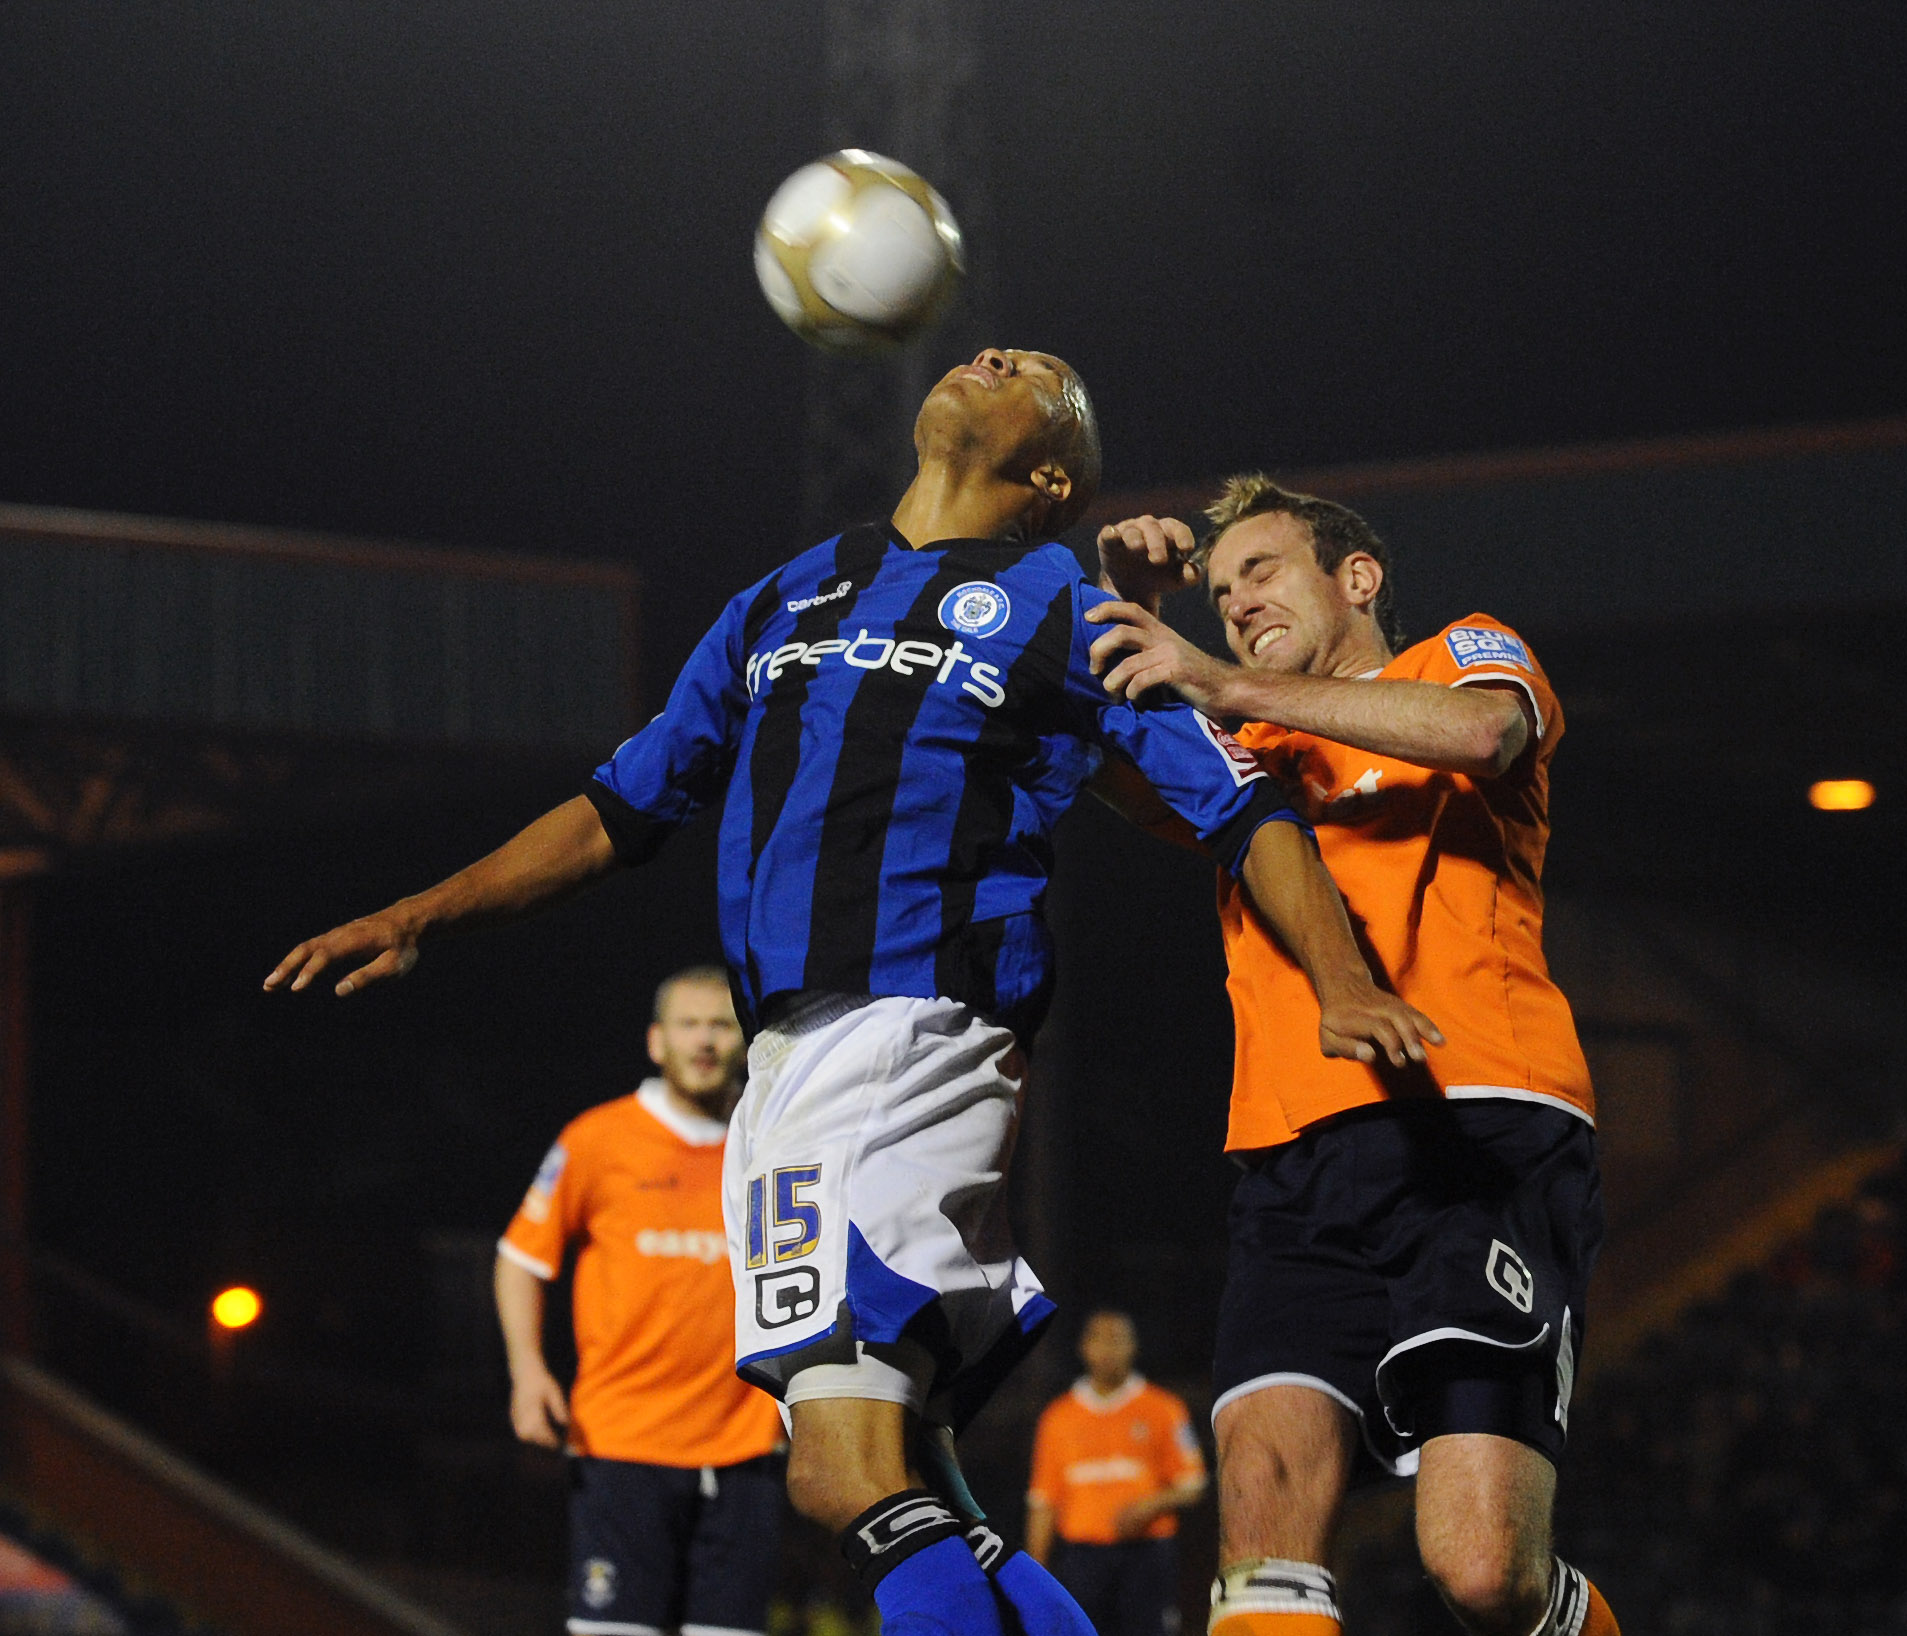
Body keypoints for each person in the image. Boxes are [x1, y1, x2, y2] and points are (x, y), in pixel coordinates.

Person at [264, 353, 1440, 1636]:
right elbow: (620, 806)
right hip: (799, 1063)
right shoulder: (784, 592)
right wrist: (421, 911)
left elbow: (1237, 801)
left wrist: (1341, 978)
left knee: (837, 1472)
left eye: (1041, 375)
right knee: (914, 1478)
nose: (996, 356)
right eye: (995, 349)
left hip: (903, 1033)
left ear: (1050, 474)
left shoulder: (1056, 599)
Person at [1082, 481, 1617, 1636]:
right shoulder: (1240, 748)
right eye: (1219, 596)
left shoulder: (1462, 654)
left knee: (1484, 1573)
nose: (1235, 605)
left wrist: (1223, 681)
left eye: (1262, 571)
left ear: (1356, 577)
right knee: (1262, 1521)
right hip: (1289, 1155)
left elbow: (1485, 732)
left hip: (1478, 1129)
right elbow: (1116, 774)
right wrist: (1117, 616)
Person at [495, 967, 786, 1636]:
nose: (705, 1041)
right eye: (689, 1024)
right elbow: (519, 1259)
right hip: (622, 1443)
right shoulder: (598, 1140)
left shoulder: (774, 1142)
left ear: (745, 1041)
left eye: (721, 1025)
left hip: (748, 1448)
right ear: (658, 1042)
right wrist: (527, 1370)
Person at [1027, 1311, 1207, 1636]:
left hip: (1146, 1554)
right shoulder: (1058, 1417)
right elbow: (1043, 1500)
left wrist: (1148, 1506)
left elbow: (1193, 1485)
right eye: (1099, 1339)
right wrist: (1035, 1569)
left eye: (1117, 1340)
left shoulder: (1164, 1408)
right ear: (1084, 1347)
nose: (1108, 1350)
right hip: (1082, 1557)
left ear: (1133, 1347)